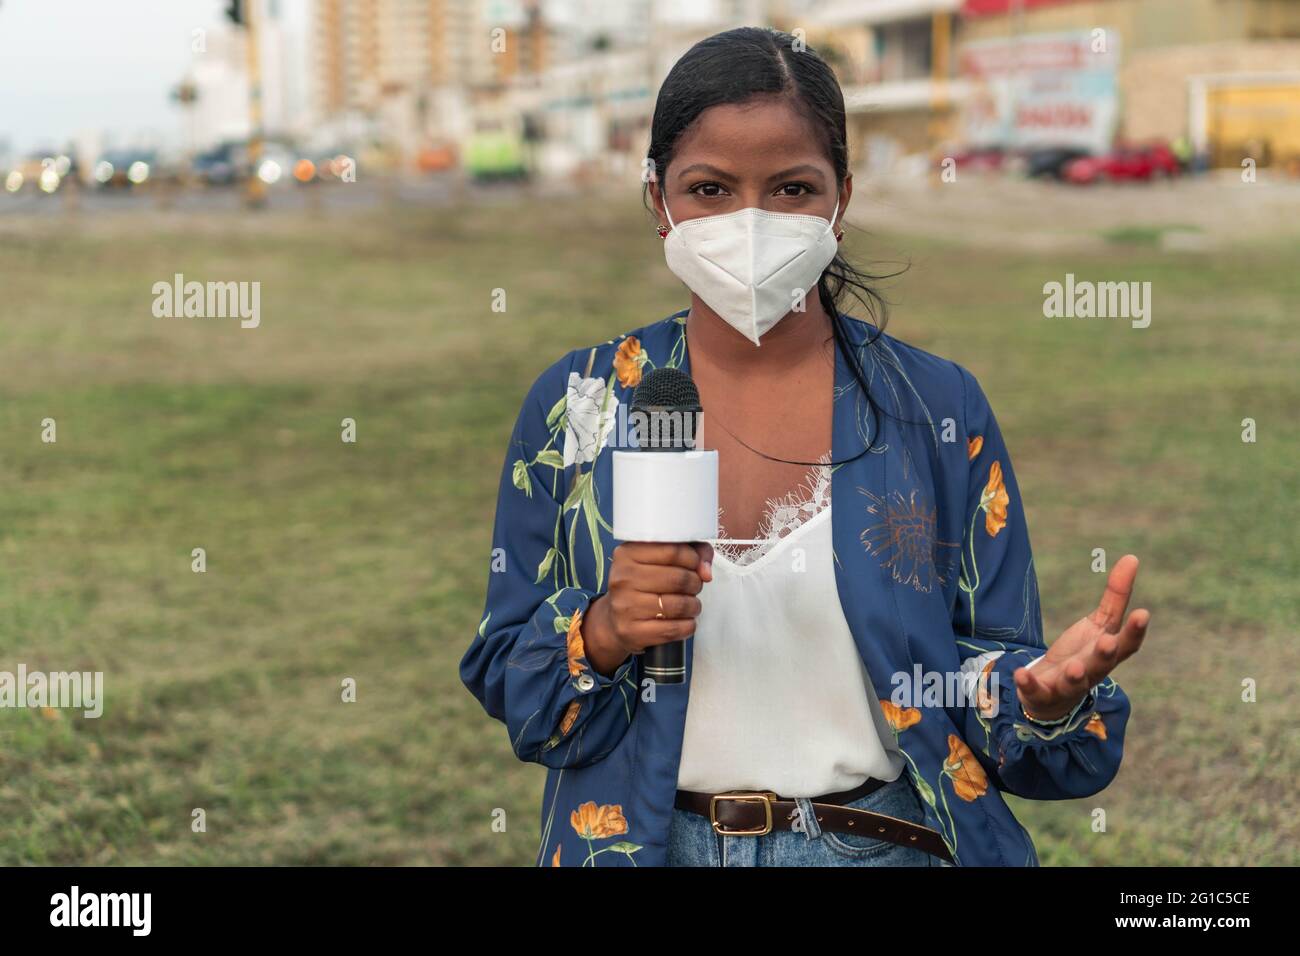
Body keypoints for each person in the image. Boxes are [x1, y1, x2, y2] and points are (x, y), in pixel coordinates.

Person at [460, 26, 1150, 867]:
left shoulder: (933, 408)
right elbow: (511, 676)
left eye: (790, 188)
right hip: (642, 846)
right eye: (710, 188)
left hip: (882, 842)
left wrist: (1038, 699)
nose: (750, 222)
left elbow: (982, 676)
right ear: (658, 200)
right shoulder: (581, 404)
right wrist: (602, 631)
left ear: (841, 197)